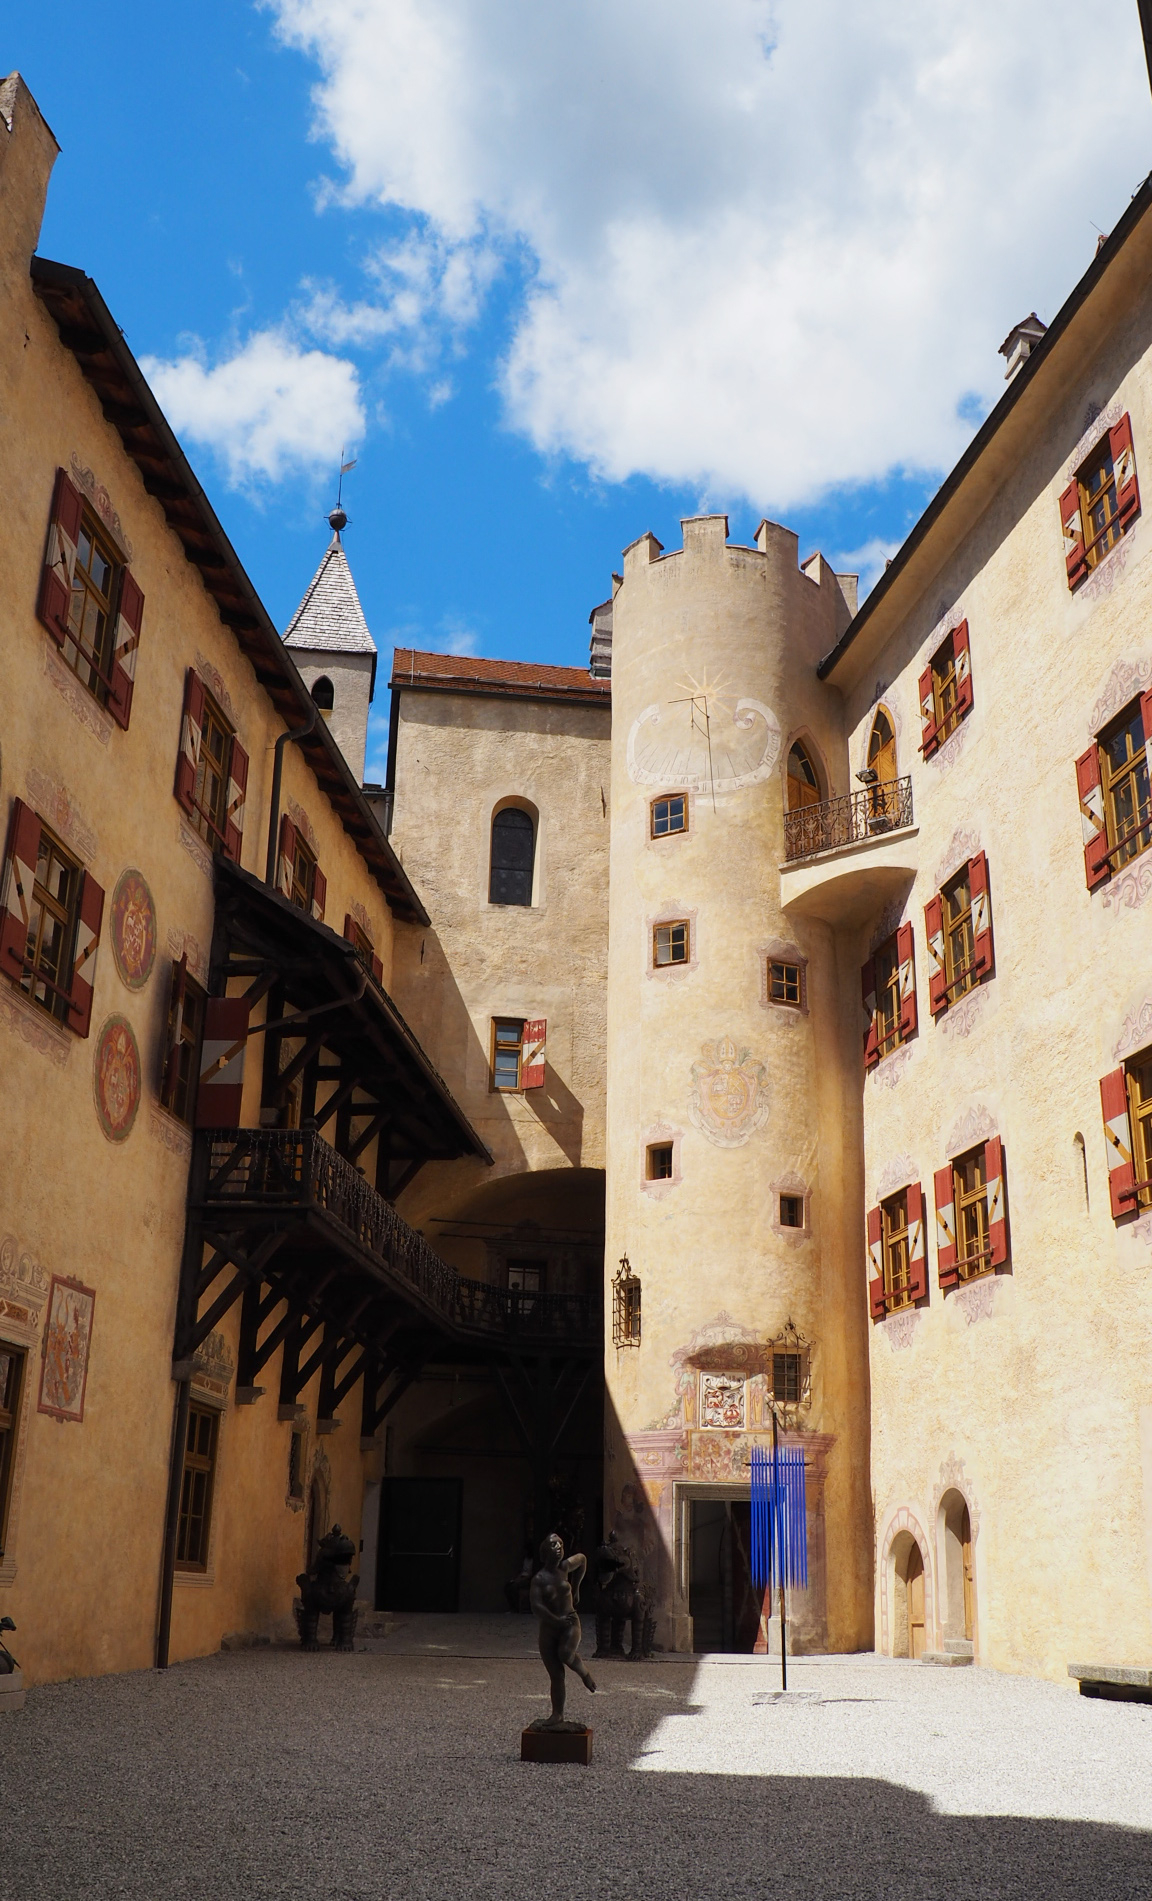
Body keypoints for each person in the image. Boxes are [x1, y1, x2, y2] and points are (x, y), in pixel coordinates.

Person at [529, 1532, 596, 1727]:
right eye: (553, 1545)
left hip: (569, 1622)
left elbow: (583, 1559)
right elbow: (537, 1607)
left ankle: (584, 1673)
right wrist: (554, 1620)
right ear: (544, 1552)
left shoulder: (566, 1567)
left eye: (560, 1544)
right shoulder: (539, 1579)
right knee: (556, 1675)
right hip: (549, 1628)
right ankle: (557, 1714)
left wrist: (576, 1588)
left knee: (566, 1653)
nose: (558, 1548)